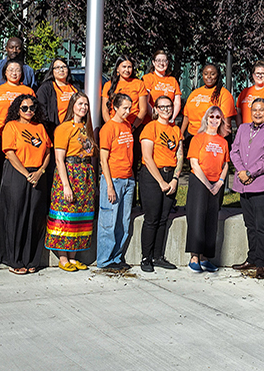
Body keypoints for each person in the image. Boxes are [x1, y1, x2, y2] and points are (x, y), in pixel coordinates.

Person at [231, 97, 264, 278]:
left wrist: (250, 173)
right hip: (244, 183)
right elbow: (235, 150)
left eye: (261, 110)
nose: (257, 113)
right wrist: (241, 171)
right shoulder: (242, 128)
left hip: (261, 184)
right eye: (254, 110)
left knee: (261, 226)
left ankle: (262, 263)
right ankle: (252, 257)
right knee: (250, 225)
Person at [0, 94, 51, 275]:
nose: (29, 111)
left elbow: (48, 152)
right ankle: (14, 259)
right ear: (17, 110)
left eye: (32, 107)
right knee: (16, 216)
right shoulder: (11, 126)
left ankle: (31, 259)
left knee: (35, 217)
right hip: (18, 173)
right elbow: (10, 153)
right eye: (24, 108)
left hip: (37, 174)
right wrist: (27, 174)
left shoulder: (40, 127)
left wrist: (40, 171)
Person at [49, 93, 97, 271]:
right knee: (66, 215)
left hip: (85, 175)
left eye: (86, 104)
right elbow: (59, 159)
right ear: (72, 105)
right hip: (70, 173)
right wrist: (66, 185)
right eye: (80, 103)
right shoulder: (64, 128)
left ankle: (73, 255)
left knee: (81, 216)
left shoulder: (86, 128)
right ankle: (63, 258)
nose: (83, 107)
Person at [138, 95, 182, 272]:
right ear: (155, 109)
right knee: (152, 219)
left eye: (169, 106)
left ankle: (158, 256)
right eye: (162, 107)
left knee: (164, 219)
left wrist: (175, 179)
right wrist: (161, 181)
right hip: (152, 176)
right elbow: (147, 158)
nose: (166, 110)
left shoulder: (176, 129)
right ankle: (146, 257)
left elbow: (179, 155)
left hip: (170, 175)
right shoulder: (151, 128)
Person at [96, 93, 138, 272]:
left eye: (129, 108)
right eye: (125, 108)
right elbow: (103, 160)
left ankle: (117, 256)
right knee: (109, 221)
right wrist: (110, 186)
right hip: (113, 179)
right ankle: (105, 260)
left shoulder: (127, 125)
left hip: (128, 179)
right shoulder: (108, 128)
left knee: (123, 220)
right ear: (115, 107)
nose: (128, 111)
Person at [186, 106, 231, 272]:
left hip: (216, 183)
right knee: (197, 217)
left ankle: (205, 258)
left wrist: (220, 182)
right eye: (211, 116)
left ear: (221, 121)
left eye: (218, 117)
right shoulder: (198, 138)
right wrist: (207, 184)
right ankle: (195, 257)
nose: (214, 120)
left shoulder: (223, 141)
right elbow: (194, 164)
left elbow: (226, 164)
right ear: (206, 118)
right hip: (199, 182)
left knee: (211, 220)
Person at [184, 63, 237, 143]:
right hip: (192, 136)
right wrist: (181, 135)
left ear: (218, 75)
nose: (209, 76)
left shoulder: (224, 94)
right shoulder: (195, 93)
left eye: (212, 74)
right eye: (205, 74)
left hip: (212, 137)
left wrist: (218, 141)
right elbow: (186, 116)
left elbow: (226, 122)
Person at [0, 60, 34, 135]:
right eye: (11, 70)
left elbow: (34, 111)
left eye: (17, 70)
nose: (14, 73)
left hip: (23, 132)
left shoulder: (28, 91)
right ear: (5, 72)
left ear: (21, 73)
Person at [140, 50, 182, 125]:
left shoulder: (172, 80)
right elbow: (145, 101)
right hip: (151, 123)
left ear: (167, 62)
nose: (161, 63)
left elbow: (177, 103)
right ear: (153, 62)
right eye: (158, 60)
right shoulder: (148, 78)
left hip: (169, 123)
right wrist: (156, 117)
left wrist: (172, 118)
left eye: (164, 60)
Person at [103, 57, 145, 128]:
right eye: (124, 67)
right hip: (114, 126)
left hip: (134, 126)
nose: (127, 70)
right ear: (117, 69)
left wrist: (133, 127)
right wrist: (111, 126)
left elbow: (143, 109)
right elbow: (105, 111)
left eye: (129, 67)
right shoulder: (108, 85)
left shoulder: (139, 84)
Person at [36, 58, 79, 128]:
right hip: (56, 129)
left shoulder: (75, 87)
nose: (61, 70)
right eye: (57, 67)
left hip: (75, 128)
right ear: (52, 71)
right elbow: (41, 111)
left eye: (64, 67)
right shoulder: (46, 88)